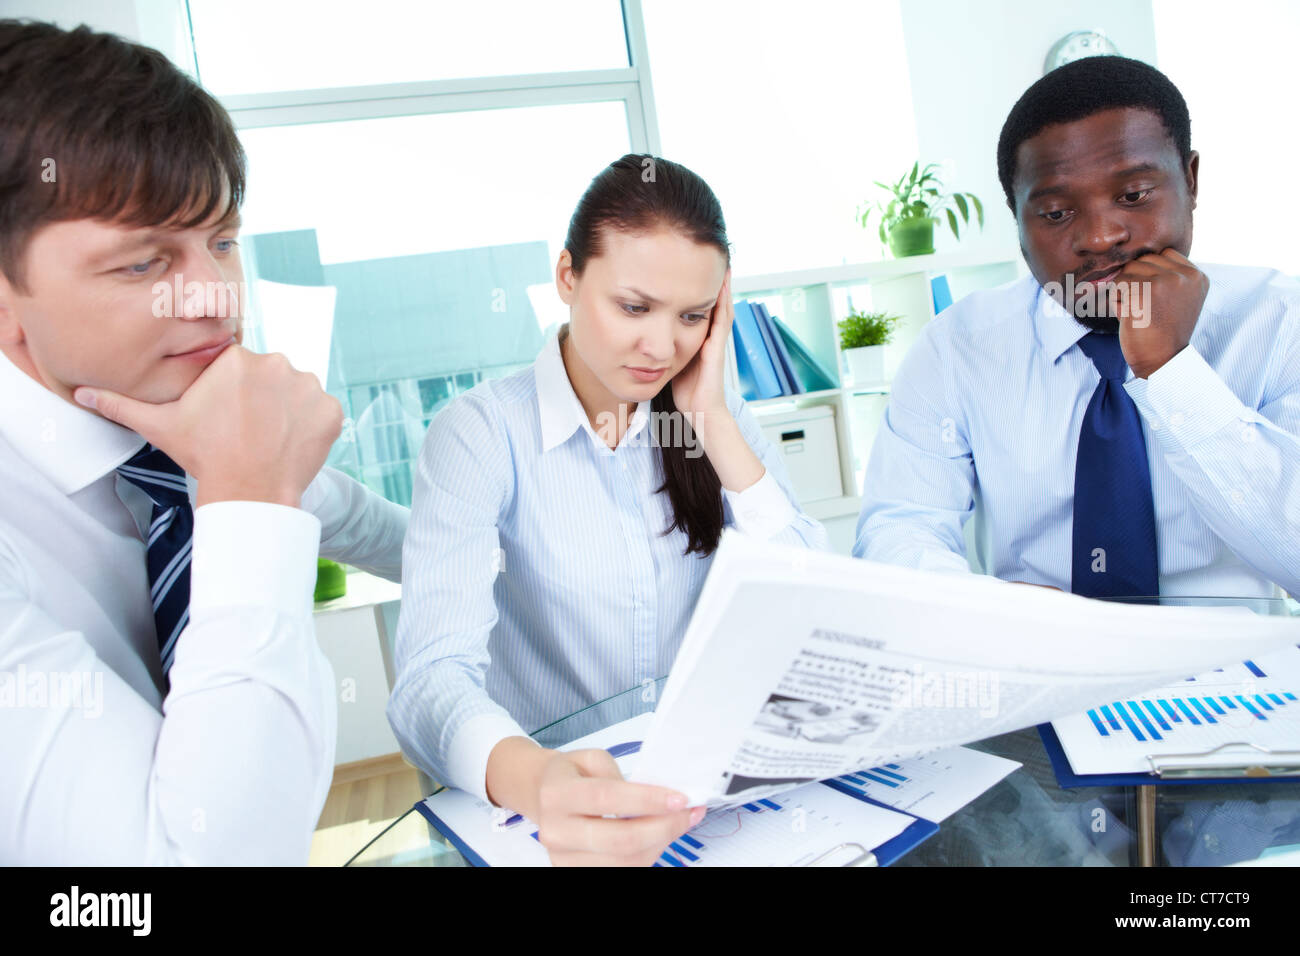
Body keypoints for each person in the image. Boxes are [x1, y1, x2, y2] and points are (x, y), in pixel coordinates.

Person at [857, 55, 1300, 866]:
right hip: (1037, 705)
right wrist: (994, 616)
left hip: (1247, 705)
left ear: (1191, 179)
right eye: (1056, 212)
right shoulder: (957, 350)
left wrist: (1169, 372)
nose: (1099, 237)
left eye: (1134, 195)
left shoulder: (1278, 320)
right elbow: (899, 531)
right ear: (1017, 219)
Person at [0, 20, 408, 864]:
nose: (217, 300)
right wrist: (249, 500)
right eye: (143, 265)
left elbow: (381, 531)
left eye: (220, 242)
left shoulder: (171, 434)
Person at [389, 154, 828, 866]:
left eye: (692, 317)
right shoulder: (480, 433)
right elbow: (430, 680)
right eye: (633, 307)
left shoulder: (715, 417)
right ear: (567, 276)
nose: (662, 347)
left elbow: (817, 603)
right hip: (557, 822)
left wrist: (711, 417)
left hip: (710, 805)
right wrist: (537, 780)